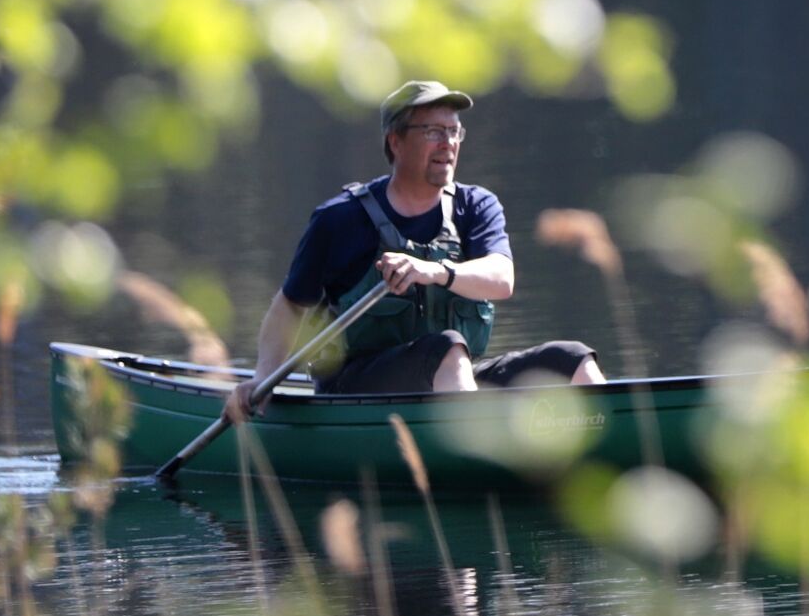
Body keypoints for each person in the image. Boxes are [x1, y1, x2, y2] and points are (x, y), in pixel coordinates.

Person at [228, 80, 602, 418]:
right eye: (434, 132)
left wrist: (436, 271)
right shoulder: (339, 219)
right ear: (396, 140)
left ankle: (614, 446)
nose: (449, 144)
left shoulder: (475, 206)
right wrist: (262, 380)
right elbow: (291, 304)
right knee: (448, 348)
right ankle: (475, 464)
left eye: (454, 132)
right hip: (354, 391)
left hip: (451, 376)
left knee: (571, 357)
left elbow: (501, 280)